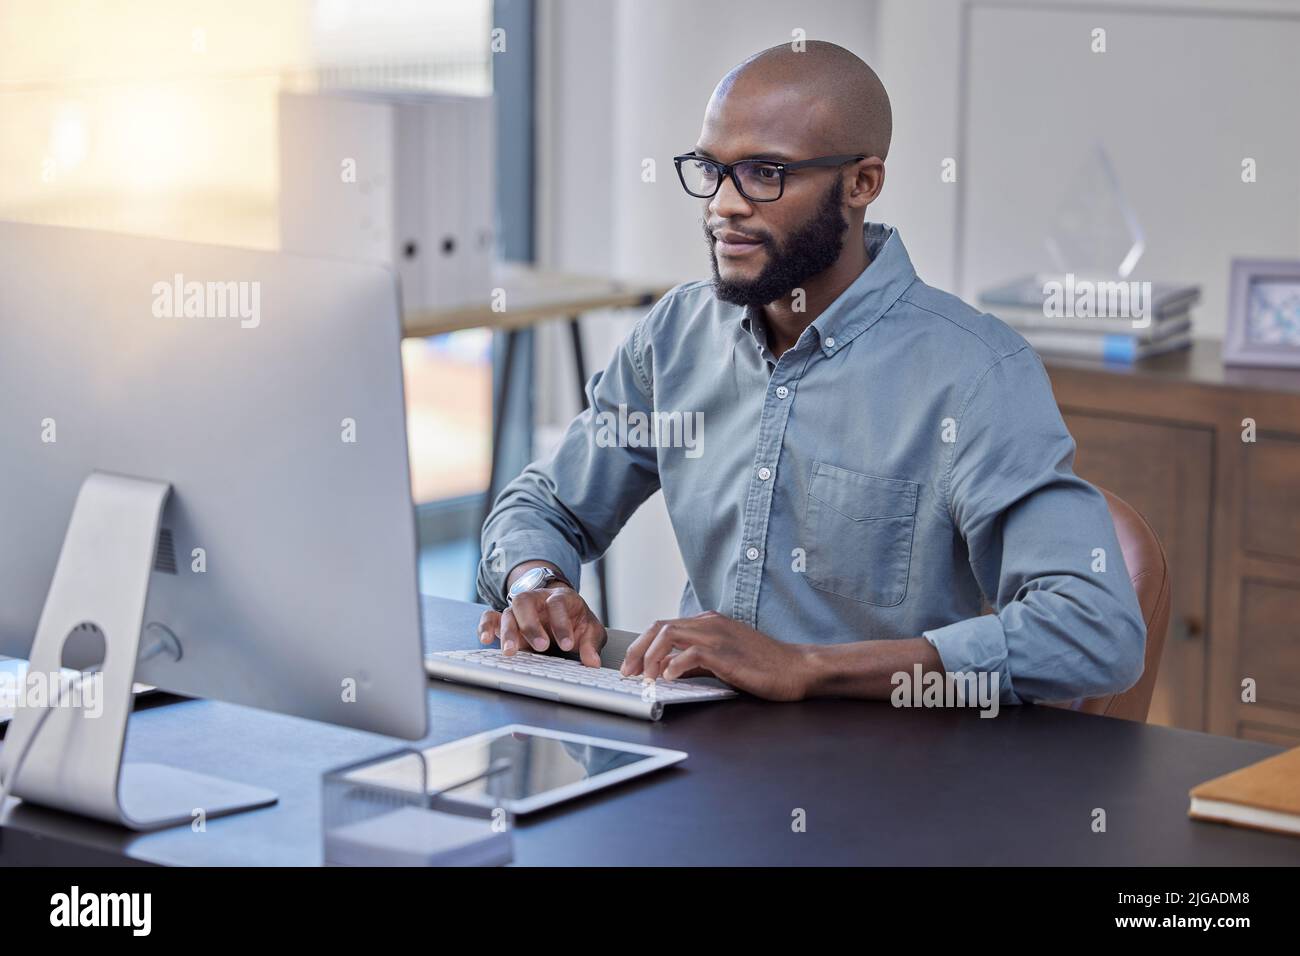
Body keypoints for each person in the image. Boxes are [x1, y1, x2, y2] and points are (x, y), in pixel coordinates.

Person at [475, 40, 1145, 706]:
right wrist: (539, 584)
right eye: (712, 170)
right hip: (704, 756)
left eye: (765, 173)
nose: (723, 206)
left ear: (862, 183)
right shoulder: (677, 338)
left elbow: (1094, 630)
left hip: (899, 779)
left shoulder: (975, 375)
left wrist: (809, 666)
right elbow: (545, 505)